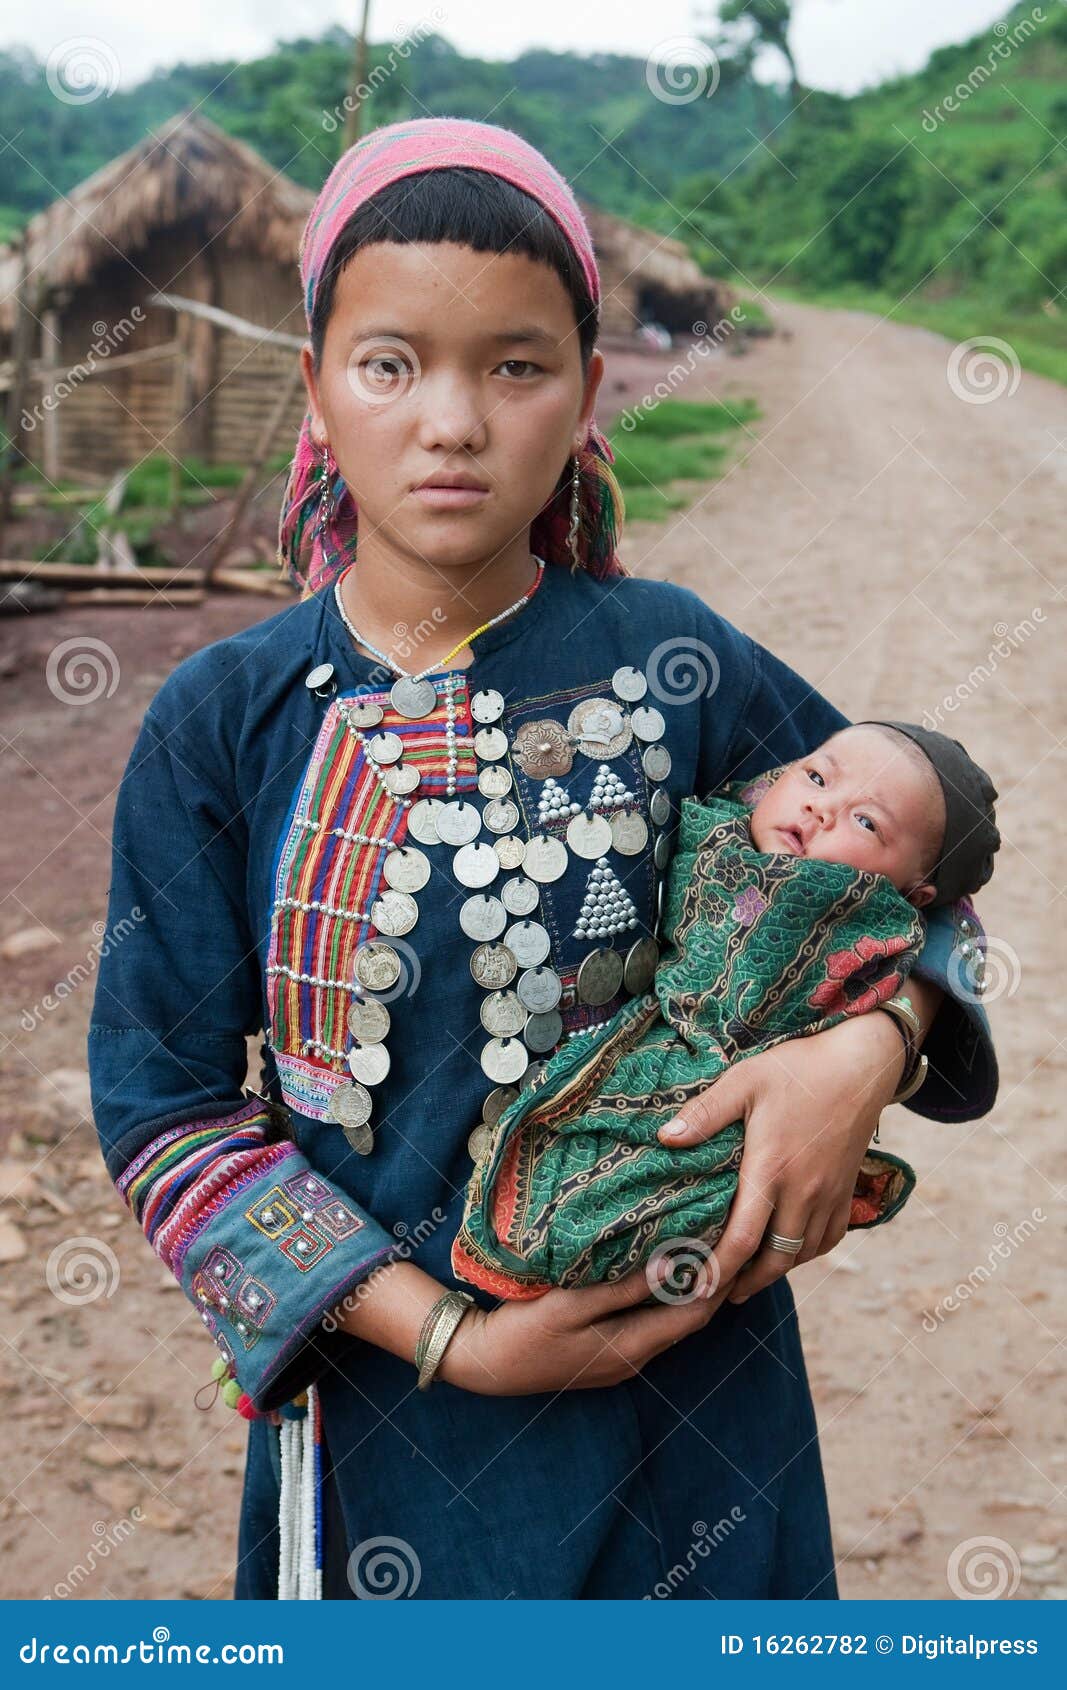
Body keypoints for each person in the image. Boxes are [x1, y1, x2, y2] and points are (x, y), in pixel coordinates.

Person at [87, 117, 999, 1602]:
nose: (450, 420)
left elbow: (925, 886)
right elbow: (163, 1110)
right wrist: (456, 1340)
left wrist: (863, 1050)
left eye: (514, 365)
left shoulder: (677, 661)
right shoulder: (221, 723)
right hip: (390, 1414)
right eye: (390, 363)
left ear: (584, 388)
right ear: (314, 389)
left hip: (696, 1402)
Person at [452, 721, 1001, 1297]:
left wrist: (886, 1037)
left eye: (866, 822)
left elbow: (958, 919)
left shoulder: (724, 678)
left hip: (735, 1089)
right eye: (815, 777)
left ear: (915, 895)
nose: (820, 808)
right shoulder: (728, 822)